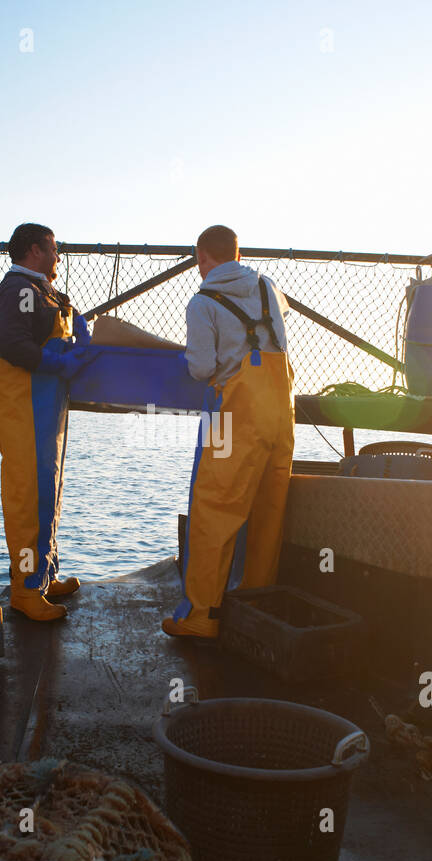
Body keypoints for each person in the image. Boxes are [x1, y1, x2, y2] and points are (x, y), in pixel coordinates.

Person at [164, 225, 295, 639]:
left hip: (234, 414)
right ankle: (254, 607)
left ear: (202, 257)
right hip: (281, 407)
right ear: (236, 253)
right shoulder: (268, 286)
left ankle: (201, 615)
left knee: (214, 509)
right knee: (268, 509)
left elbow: (202, 368)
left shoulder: (201, 303)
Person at [0, 223, 95, 622]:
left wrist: (76, 323)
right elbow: (10, 342)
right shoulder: (20, 291)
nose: (58, 256)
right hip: (24, 410)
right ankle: (25, 591)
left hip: (45, 412)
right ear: (33, 251)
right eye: (53, 249)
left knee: (48, 494)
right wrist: (56, 362)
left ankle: (43, 576)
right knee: (29, 500)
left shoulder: (44, 292)